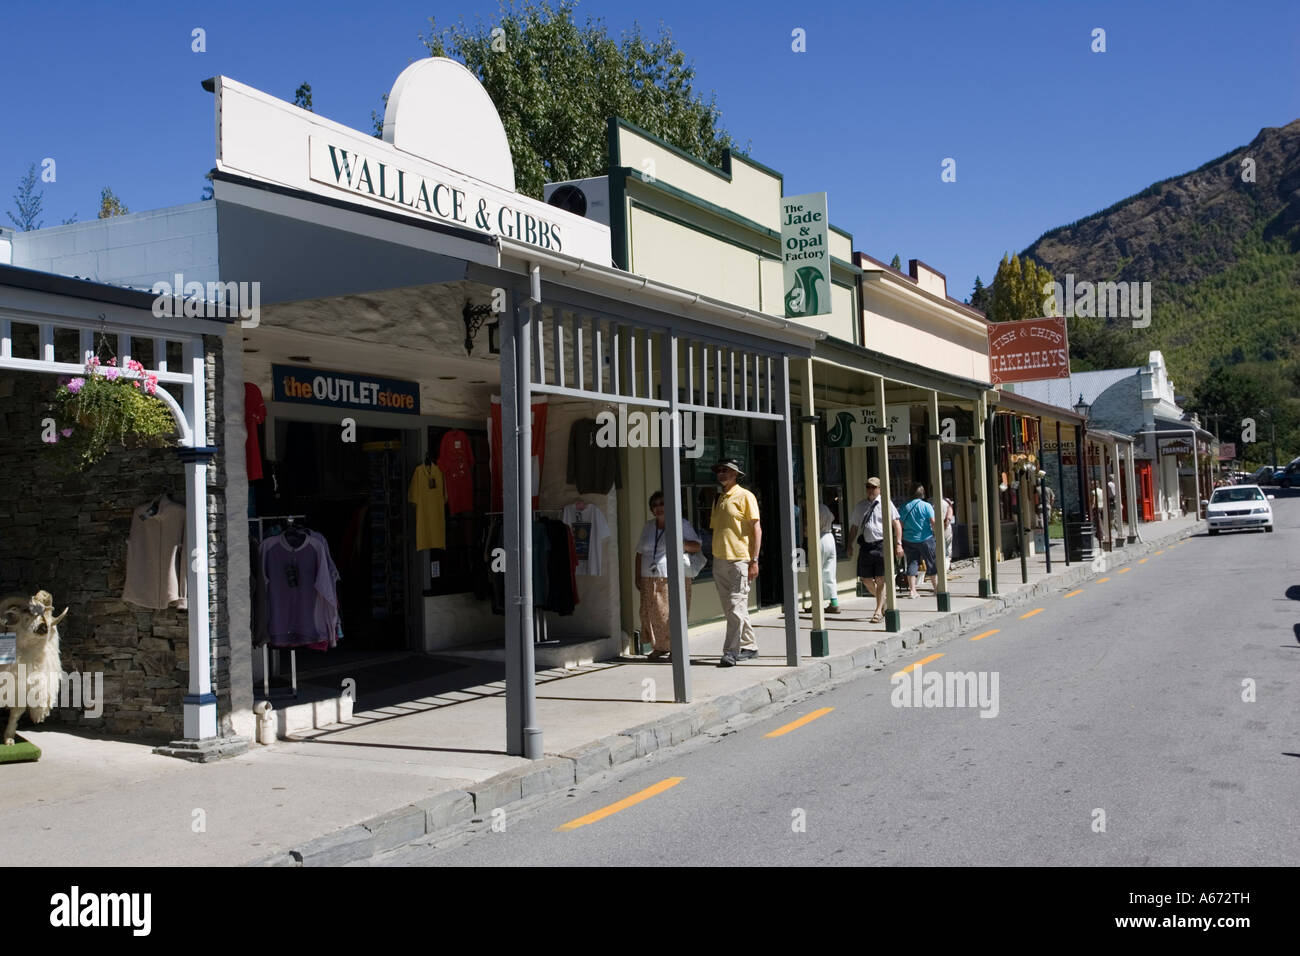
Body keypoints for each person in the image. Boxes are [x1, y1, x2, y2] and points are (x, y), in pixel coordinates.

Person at [634, 490, 702, 661]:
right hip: (649, 577)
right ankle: (659, 647)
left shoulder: (681, 523)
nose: (658, 508)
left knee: (672, 615)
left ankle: (676, 649)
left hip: (673, 577)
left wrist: (681, 543)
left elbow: (696, 546)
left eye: (662, 504)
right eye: (655, 505)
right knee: (651, 614)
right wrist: (637, 576)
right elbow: (640, 552)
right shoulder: (649, 526)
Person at [709, 459, 761, 666]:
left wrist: (754, 560)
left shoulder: (745, 496)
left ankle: (731, 651)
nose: (722, 474)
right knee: (733, 608)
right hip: (719, 559)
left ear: (735, 474)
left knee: (735, 606)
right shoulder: (719, 498)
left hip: (739, 560)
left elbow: (756, 529)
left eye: (726, 471)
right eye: (719, 470)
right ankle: (750, 644)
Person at [847, 477, 903, 624]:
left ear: (879, 489)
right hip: (866, 546)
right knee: (866, 580)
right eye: (868, 487)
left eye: (873, 487)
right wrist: (849, 544)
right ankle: (882, 600)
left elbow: (896, 524)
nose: (871, 490)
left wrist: (898, 543)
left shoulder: (886, 504)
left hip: (881, 545)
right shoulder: (861, 506)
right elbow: (854, 527)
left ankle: (878, 611)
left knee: (880, 579)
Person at [899, 484, 938, 599]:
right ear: (923, 493)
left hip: (909, 539)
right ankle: (936, 588)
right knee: (931, 562)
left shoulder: (904, 507)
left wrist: (899, 540)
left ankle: (912, 591)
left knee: (912, 563)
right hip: (926, 538)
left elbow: (900, 524)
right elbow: (933, 522)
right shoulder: (927, 506)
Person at [818, 502, 839, 613]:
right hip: (830, 538)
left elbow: (808, 527)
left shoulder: (813, 508)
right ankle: (834, 602)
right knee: (830, 573)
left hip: (819, 538)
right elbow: (833, 517)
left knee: (816, 573)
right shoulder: (825, 507)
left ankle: (816, 603)